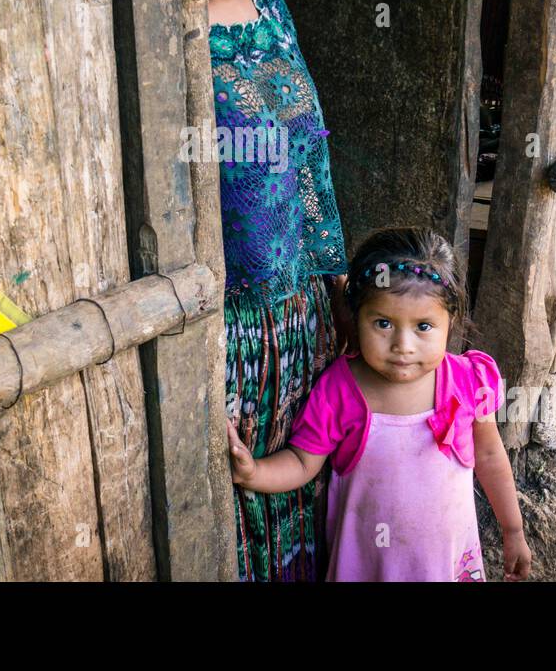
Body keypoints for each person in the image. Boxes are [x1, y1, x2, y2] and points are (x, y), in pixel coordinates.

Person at [200, 0, 351, 581]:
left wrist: (337, 293)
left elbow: (311, 160)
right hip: (213, 347)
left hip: (297, 335)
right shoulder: (164, 19)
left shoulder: (267, 2)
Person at [226, 226, 533, 581]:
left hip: (442, 563)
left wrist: (513, 531)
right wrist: (255, 473)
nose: (403, 344)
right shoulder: (340, 389)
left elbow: (491, 456)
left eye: (423, 326)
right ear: (356, 316)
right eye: (383, 323)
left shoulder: (468, 380)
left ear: (451, 322)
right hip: (369, 564)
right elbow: (301, 461)